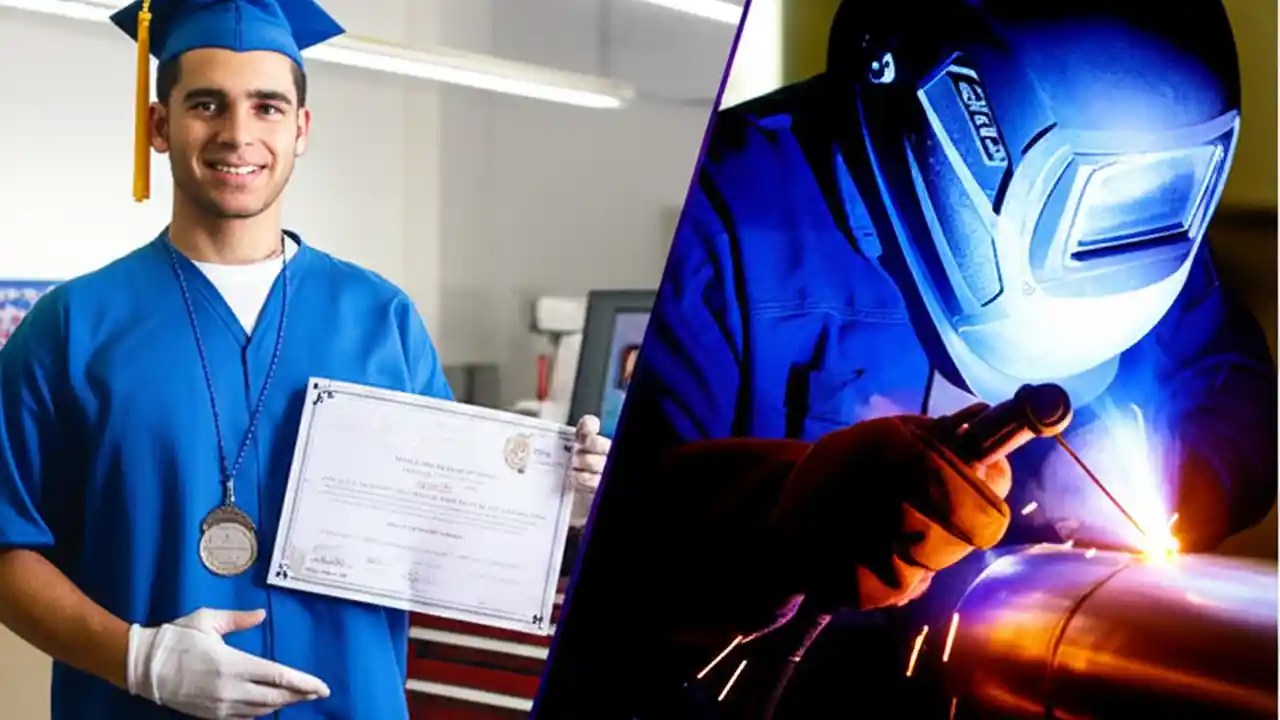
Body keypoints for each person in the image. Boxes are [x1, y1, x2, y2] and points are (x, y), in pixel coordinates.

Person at [535, 1, 1277, 718]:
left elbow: (1237, 400)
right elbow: (618, 547)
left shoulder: (1142, 215)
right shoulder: (726, 214)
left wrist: (1162, 491)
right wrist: (784, 512)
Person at [0, 1, 611, 718]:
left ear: (301, 129)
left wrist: (552, 508)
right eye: (206, 104)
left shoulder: (381, 320)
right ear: (159, 126)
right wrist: (139, 660)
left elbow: (445, 535)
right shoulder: (71, 328)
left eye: (267, 107)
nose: (238, 134)